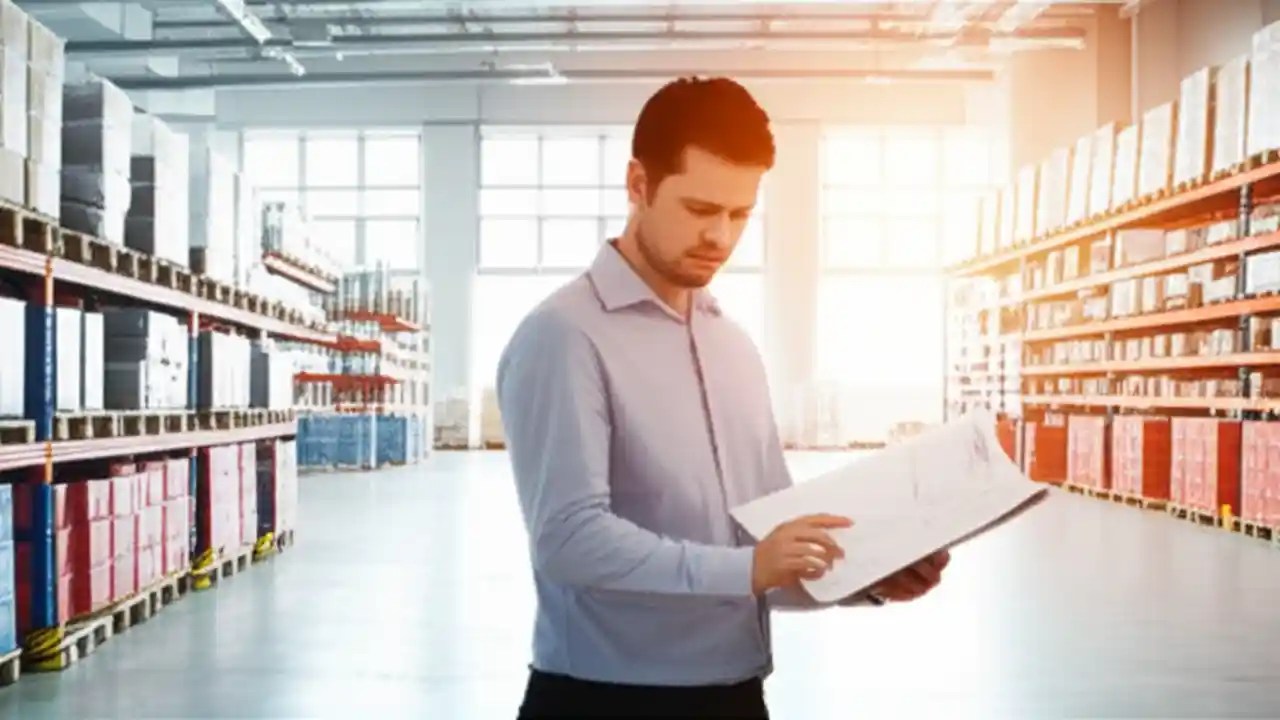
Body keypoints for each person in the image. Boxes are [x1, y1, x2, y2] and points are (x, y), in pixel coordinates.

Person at [496, 76, 950, 720]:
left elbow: (759, 546)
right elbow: (568, 539)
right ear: (637, 185)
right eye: (699, 209)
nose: (721, 236)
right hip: (601, 699)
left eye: (739, 214)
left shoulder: (733, 347)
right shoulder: (564, 336)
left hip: (736, 696)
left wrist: (863, 579)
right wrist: (749, 569)